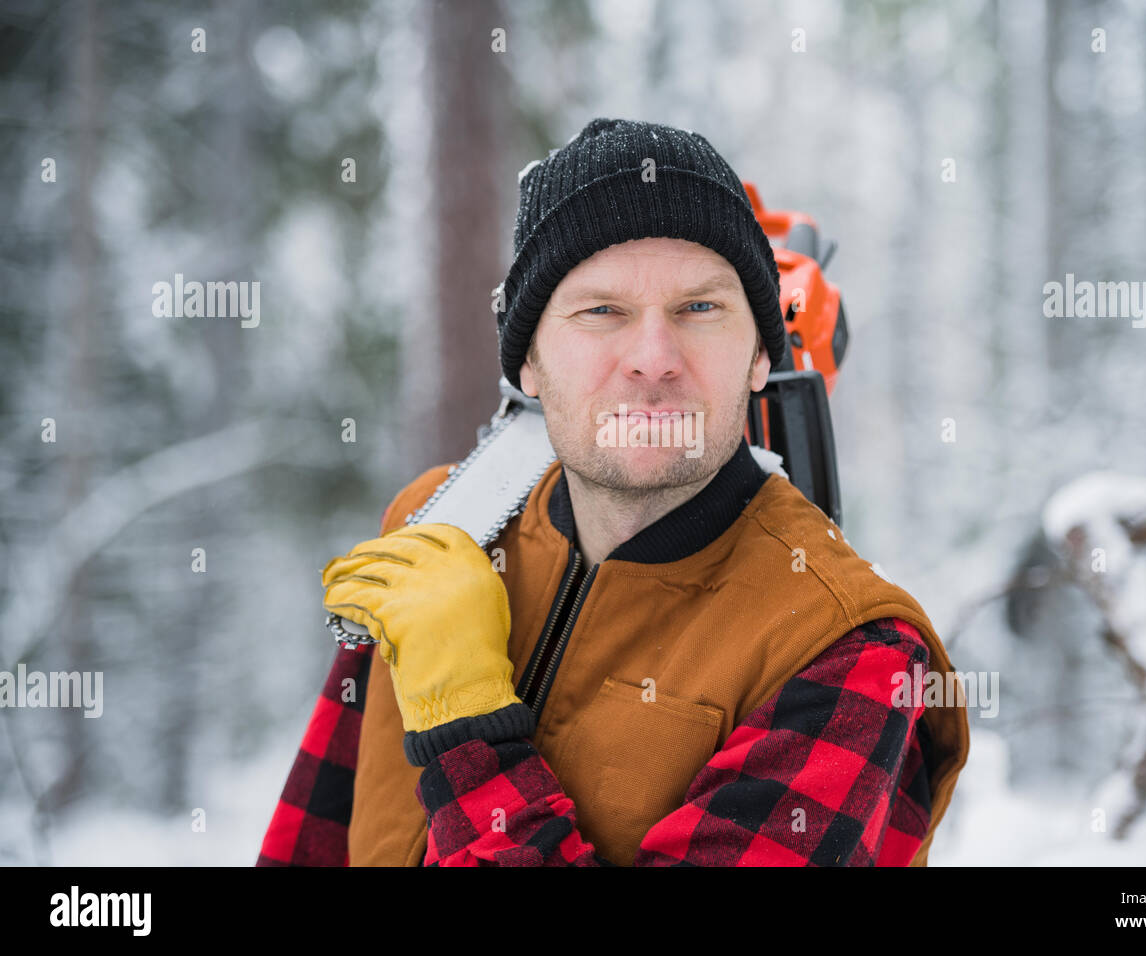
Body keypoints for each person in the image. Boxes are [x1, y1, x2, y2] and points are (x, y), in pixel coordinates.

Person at [258, 117, 969, 867]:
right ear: (528, 365)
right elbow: (313, 835)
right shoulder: (439, 528)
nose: (654, 359)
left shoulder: (849, 650)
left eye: (700, 308)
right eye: (602, 311)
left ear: (762, 353)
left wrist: (466, 730)